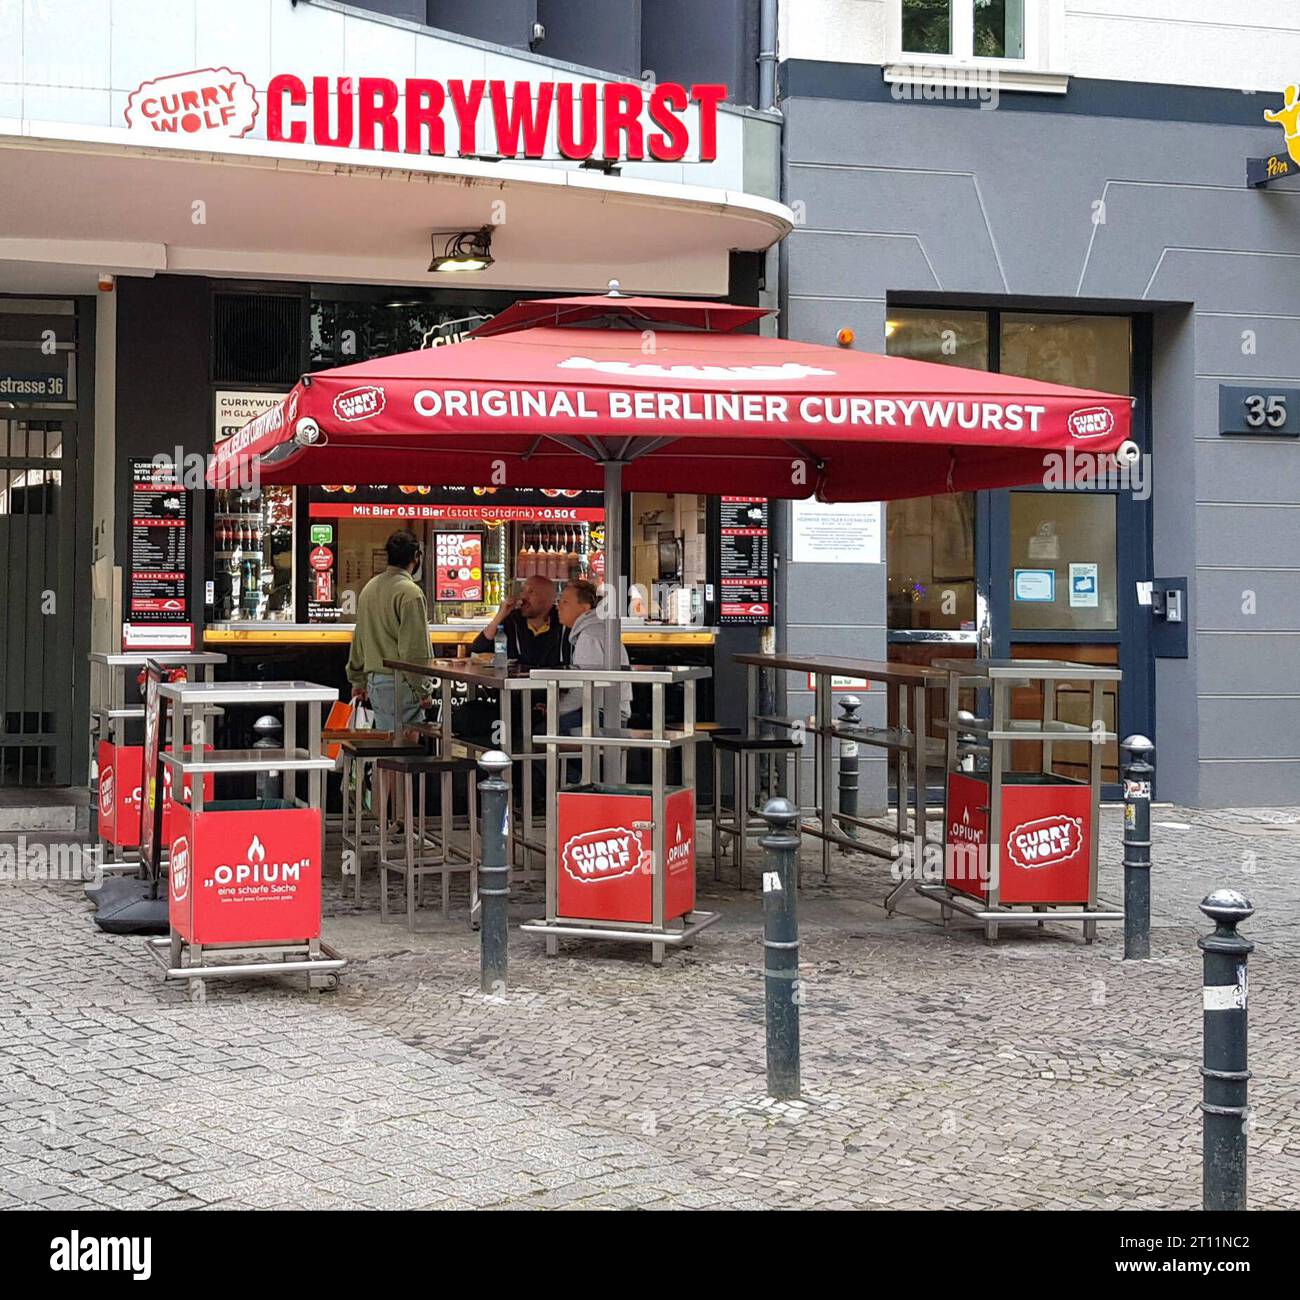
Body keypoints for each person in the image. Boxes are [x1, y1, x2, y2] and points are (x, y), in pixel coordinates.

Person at [346, 529, 434, 737]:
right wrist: (423, 690)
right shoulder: (410, 593)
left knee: (386, 749)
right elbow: (413, 651)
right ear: (416, 557)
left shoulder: (369, 588)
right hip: (401, 685)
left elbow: (359, 638)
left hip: (375, 683)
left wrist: (358, 680)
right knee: (404, 751)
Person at [555, 578, 632, 734]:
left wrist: (555, 709)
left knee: (542, 729)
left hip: (605, 716)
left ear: (584, 608)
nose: (558, 607)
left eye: (565, 602)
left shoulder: (589, 636)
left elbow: (584, 689)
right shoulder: (597, 629)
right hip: (612, 712)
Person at [470, 574, 565, 668]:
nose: (524, 596)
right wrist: (500, 616)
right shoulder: (513, 620)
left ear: (549, 599)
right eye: (522, 591)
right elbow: (477, 649)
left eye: (531, 592)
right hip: (516, 681)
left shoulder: (563, 624)